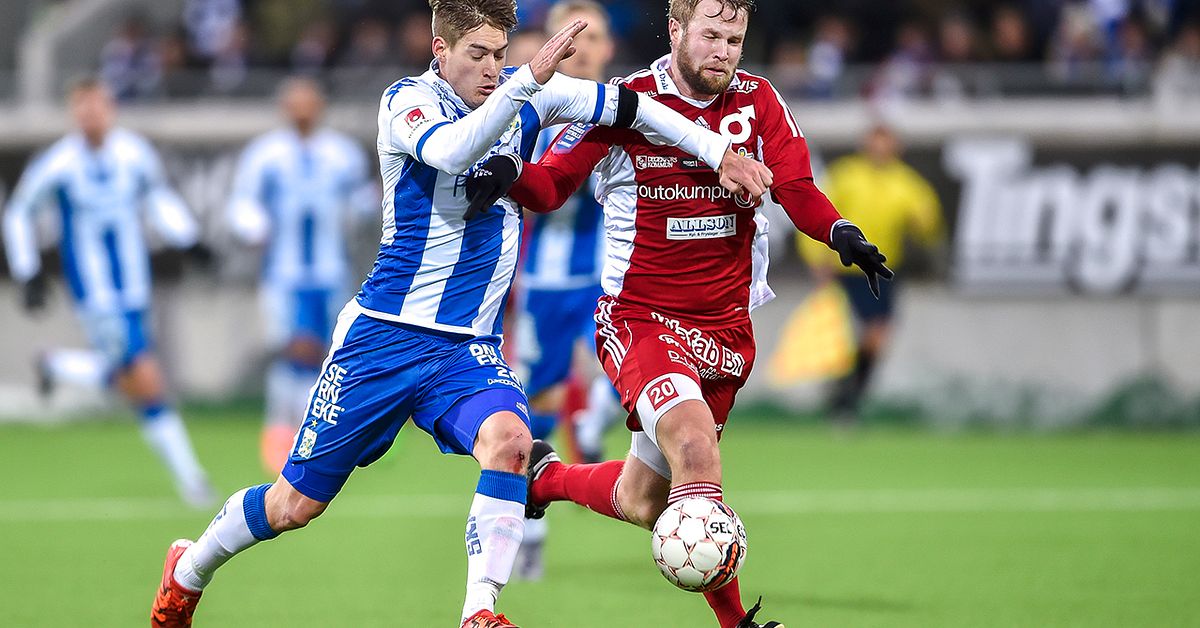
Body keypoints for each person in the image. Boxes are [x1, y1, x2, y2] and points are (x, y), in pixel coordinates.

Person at [149, 0, 771, 625]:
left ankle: (481, 611)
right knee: (293, 506)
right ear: (439, 50)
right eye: (477, 55)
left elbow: (635, 109)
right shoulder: (408, 103)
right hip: (384, 339)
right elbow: (453, 151)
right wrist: (528, 83)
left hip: (466, 348)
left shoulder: (519, 96)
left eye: (500, 55)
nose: (490, 69)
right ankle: (189, 568)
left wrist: (717, 152)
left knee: (512, 442)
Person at [464, 0, 891, 625]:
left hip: (726, 328)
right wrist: (509, 176)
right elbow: (553, 185)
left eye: (735, 39)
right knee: (695, 447)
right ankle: (736, 621)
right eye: (711, 36)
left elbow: (794, 186)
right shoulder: (626, 102)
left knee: (644, 499)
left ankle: (545, 479)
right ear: (676, 30)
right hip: (641, 319)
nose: (723, 51)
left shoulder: (760, 102)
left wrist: (840, 231)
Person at [2, 78, 215, 507]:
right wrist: (27, 271)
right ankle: (193, 482)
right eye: (83, 109)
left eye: (97, 107)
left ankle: (55, 364)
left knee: (126, 378)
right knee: (146, 381)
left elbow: (158, 198)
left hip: (134, 288)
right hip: (95, 294)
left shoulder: (132, 153)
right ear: (73, 115)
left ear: (110, 109)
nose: (91, 116)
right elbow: (20, 212)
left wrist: (189, 240)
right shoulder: (58, 164)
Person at [509, 0, 624, 581]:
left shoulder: (630, 106)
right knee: (539, 408)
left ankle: (596, 417)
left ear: (608, 48)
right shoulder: (528, 110)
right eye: (567, 35)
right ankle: (532, 526)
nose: (580, 45)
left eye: (593, 35)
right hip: (547, 280)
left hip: (615, 274)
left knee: (628, 367)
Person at [225, 77, 375, 475]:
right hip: (284, 272)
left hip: (331, 269)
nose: (302, 109)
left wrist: (365, 207)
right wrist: (251, 225)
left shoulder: (341, 154)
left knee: (330, 354)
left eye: (309, 102)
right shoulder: (265, 155)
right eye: (295, 102)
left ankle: (321, 435)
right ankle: (280, 432)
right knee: (292, 349)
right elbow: (241, 204)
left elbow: (363, 198)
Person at [798, 123, 943, 422]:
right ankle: (842, 397)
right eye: (875, 141)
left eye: (886, 142)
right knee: (839, 335)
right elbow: (815, 211)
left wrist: (924, 225)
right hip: (844, 267)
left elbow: (930, 224)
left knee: (877, 335)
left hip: (880, 268)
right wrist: (816, 257)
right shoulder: (846, 175)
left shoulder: (906, 182)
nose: (880, 148)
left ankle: (848, 396)